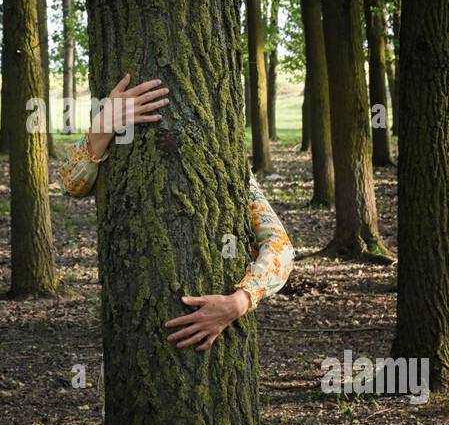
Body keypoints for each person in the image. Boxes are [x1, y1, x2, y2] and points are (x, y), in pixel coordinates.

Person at [61, 74, 295, 350]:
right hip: (130, 328)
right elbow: (73, 183)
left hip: (213, 343)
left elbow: (280, 246)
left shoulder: (232, 172)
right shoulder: (116, 139)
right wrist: (102, 127)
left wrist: (239, 302)